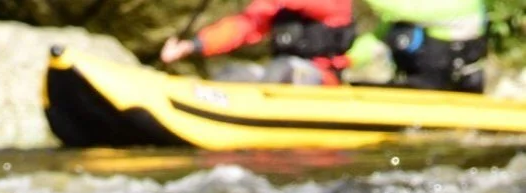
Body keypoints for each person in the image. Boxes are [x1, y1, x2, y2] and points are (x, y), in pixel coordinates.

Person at [159, 0, 357, 86]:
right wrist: (192, 45)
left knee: (285, 69)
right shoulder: (273, 7)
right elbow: (241, 27)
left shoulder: (335, 5)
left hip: (322, 77)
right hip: (277, 77)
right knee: (231, 74)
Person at [348, 0, 488, 93]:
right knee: (399, 32)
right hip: (417, 85)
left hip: (454, 89)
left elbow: (405, 9)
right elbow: (377, 39)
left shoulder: (464, 3)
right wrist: (345, 61)